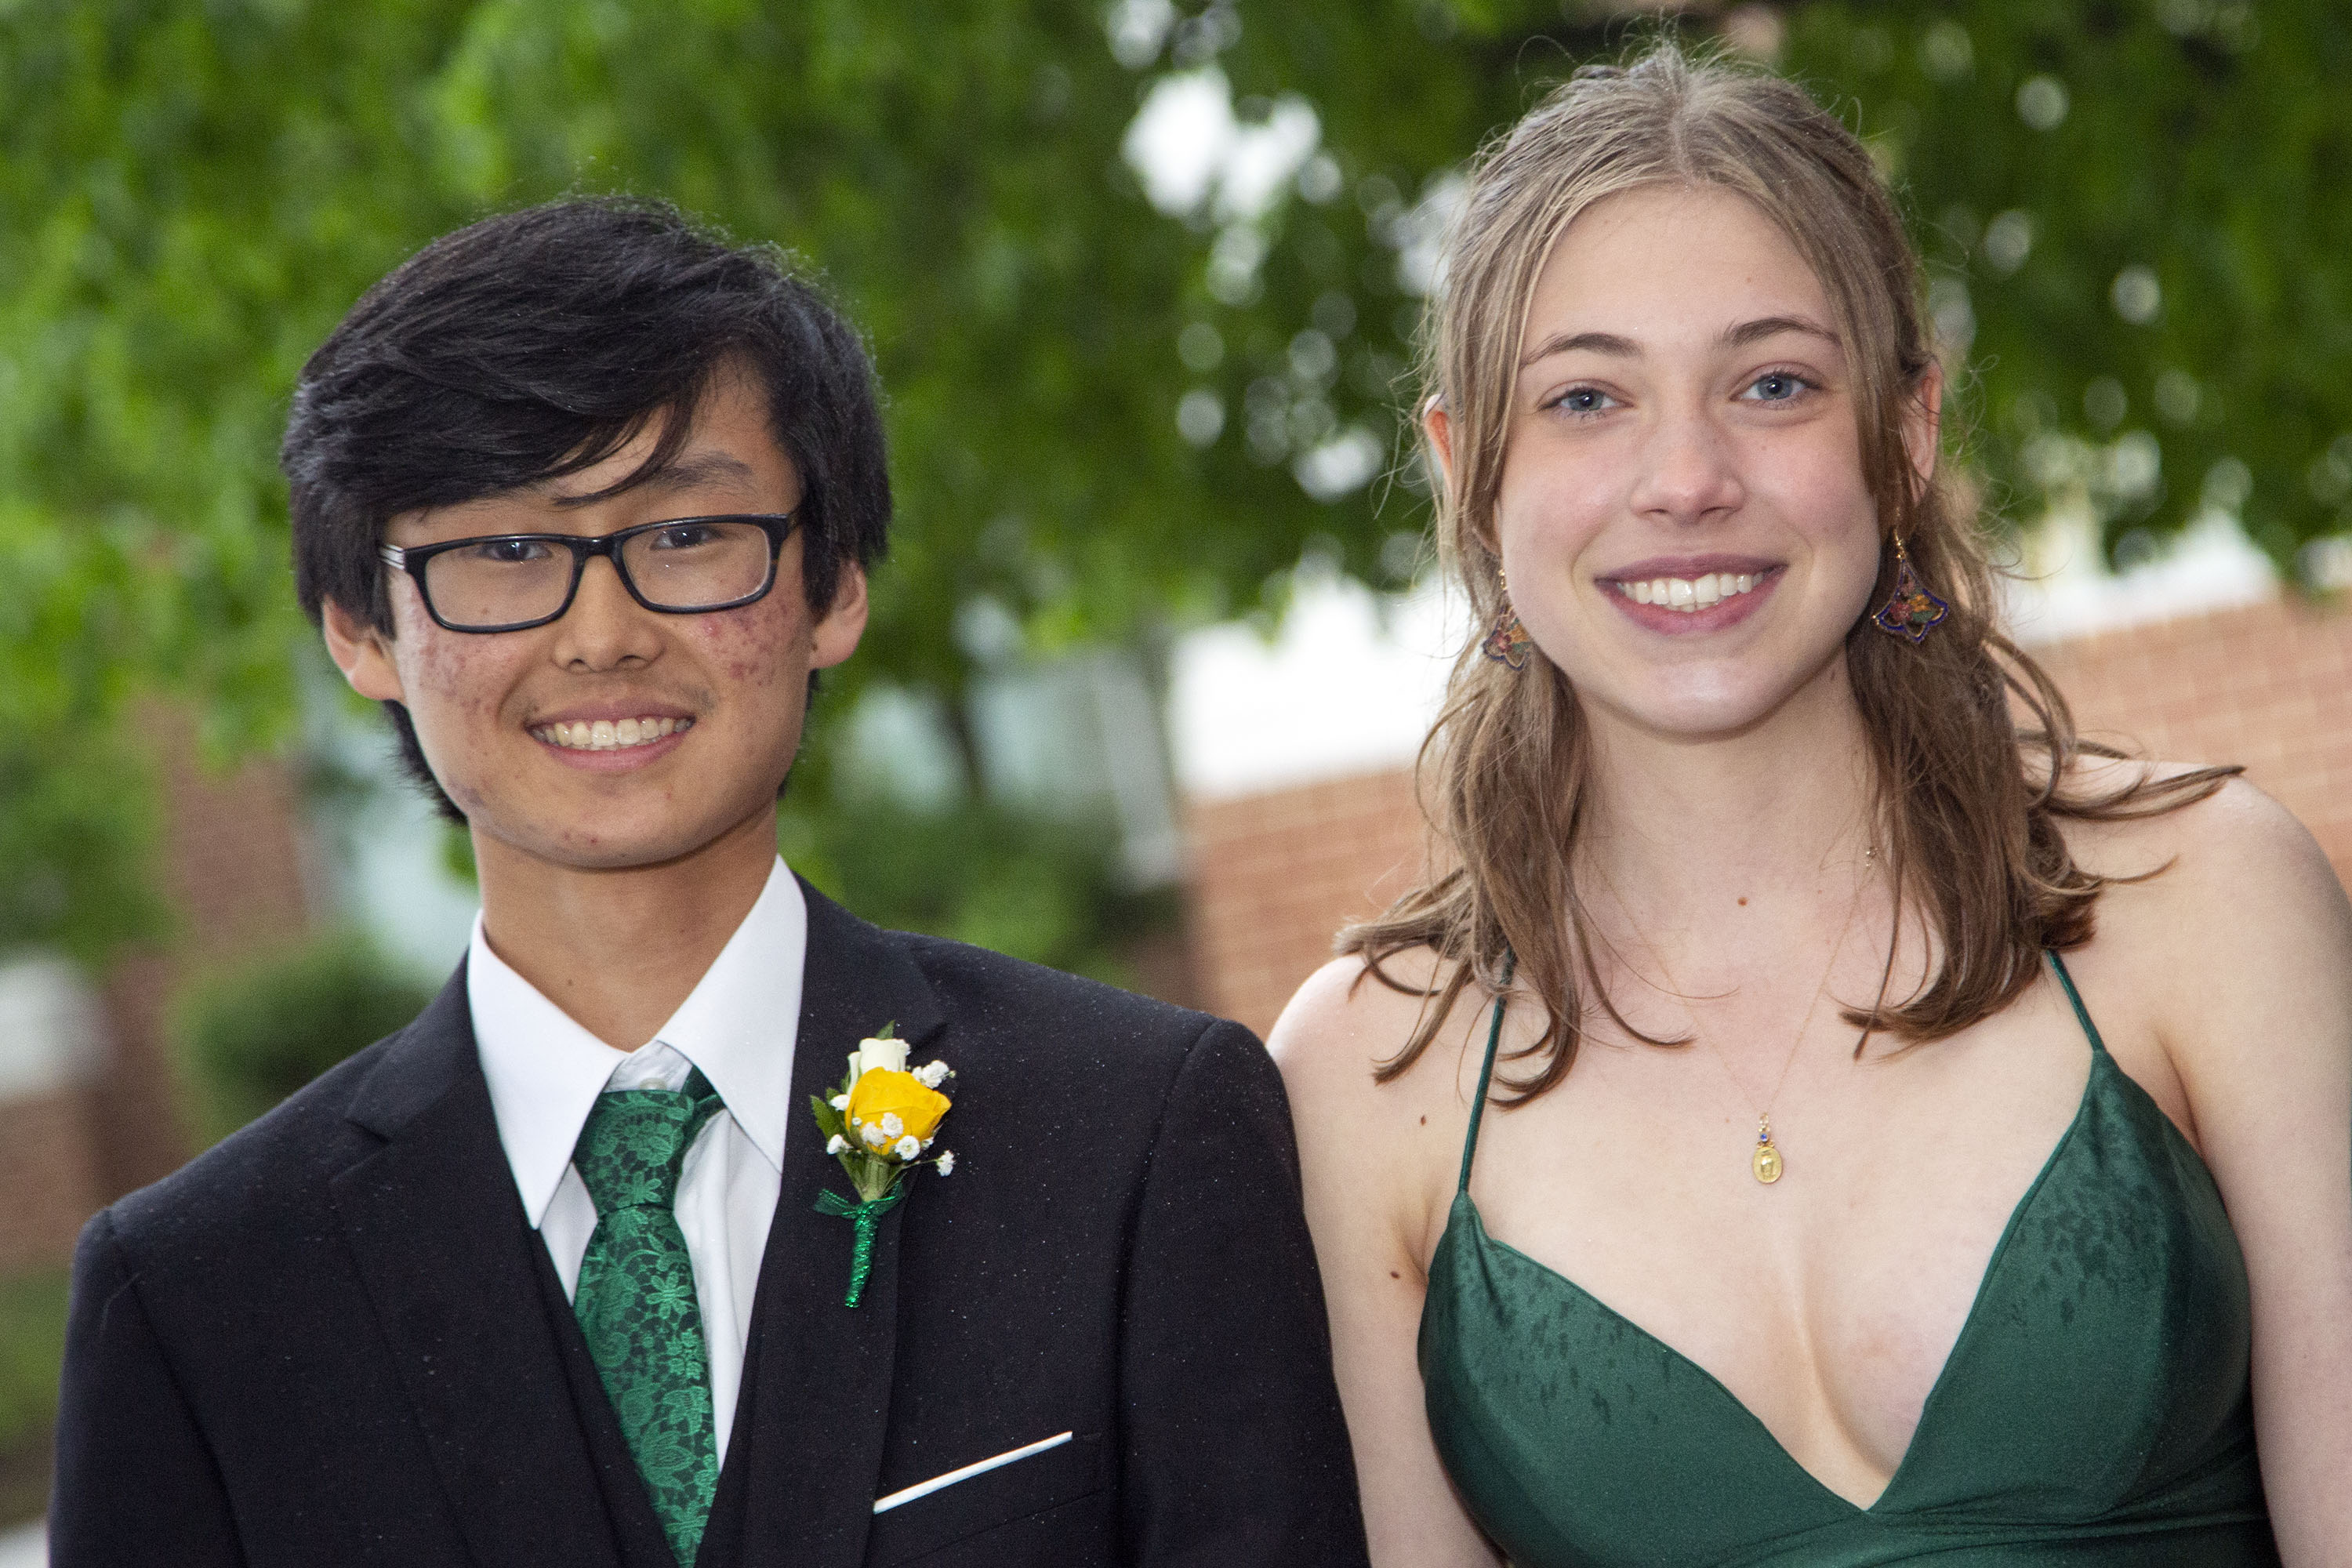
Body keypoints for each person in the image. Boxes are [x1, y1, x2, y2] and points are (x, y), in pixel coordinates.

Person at [50, 198, 1370, 1568]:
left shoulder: (1133, 1135)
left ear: (835, 586)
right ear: (359, 628)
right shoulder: (201, 1296)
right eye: (505, 550)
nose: (603, 633)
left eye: (686, 537)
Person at [1271, 45, 2352, 1568]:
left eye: (1772, 383)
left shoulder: (2210, 900)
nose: (1688, 477)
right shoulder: (1359, 1072)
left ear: (1904, 433)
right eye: (1588, 399)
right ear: (1469, 474)